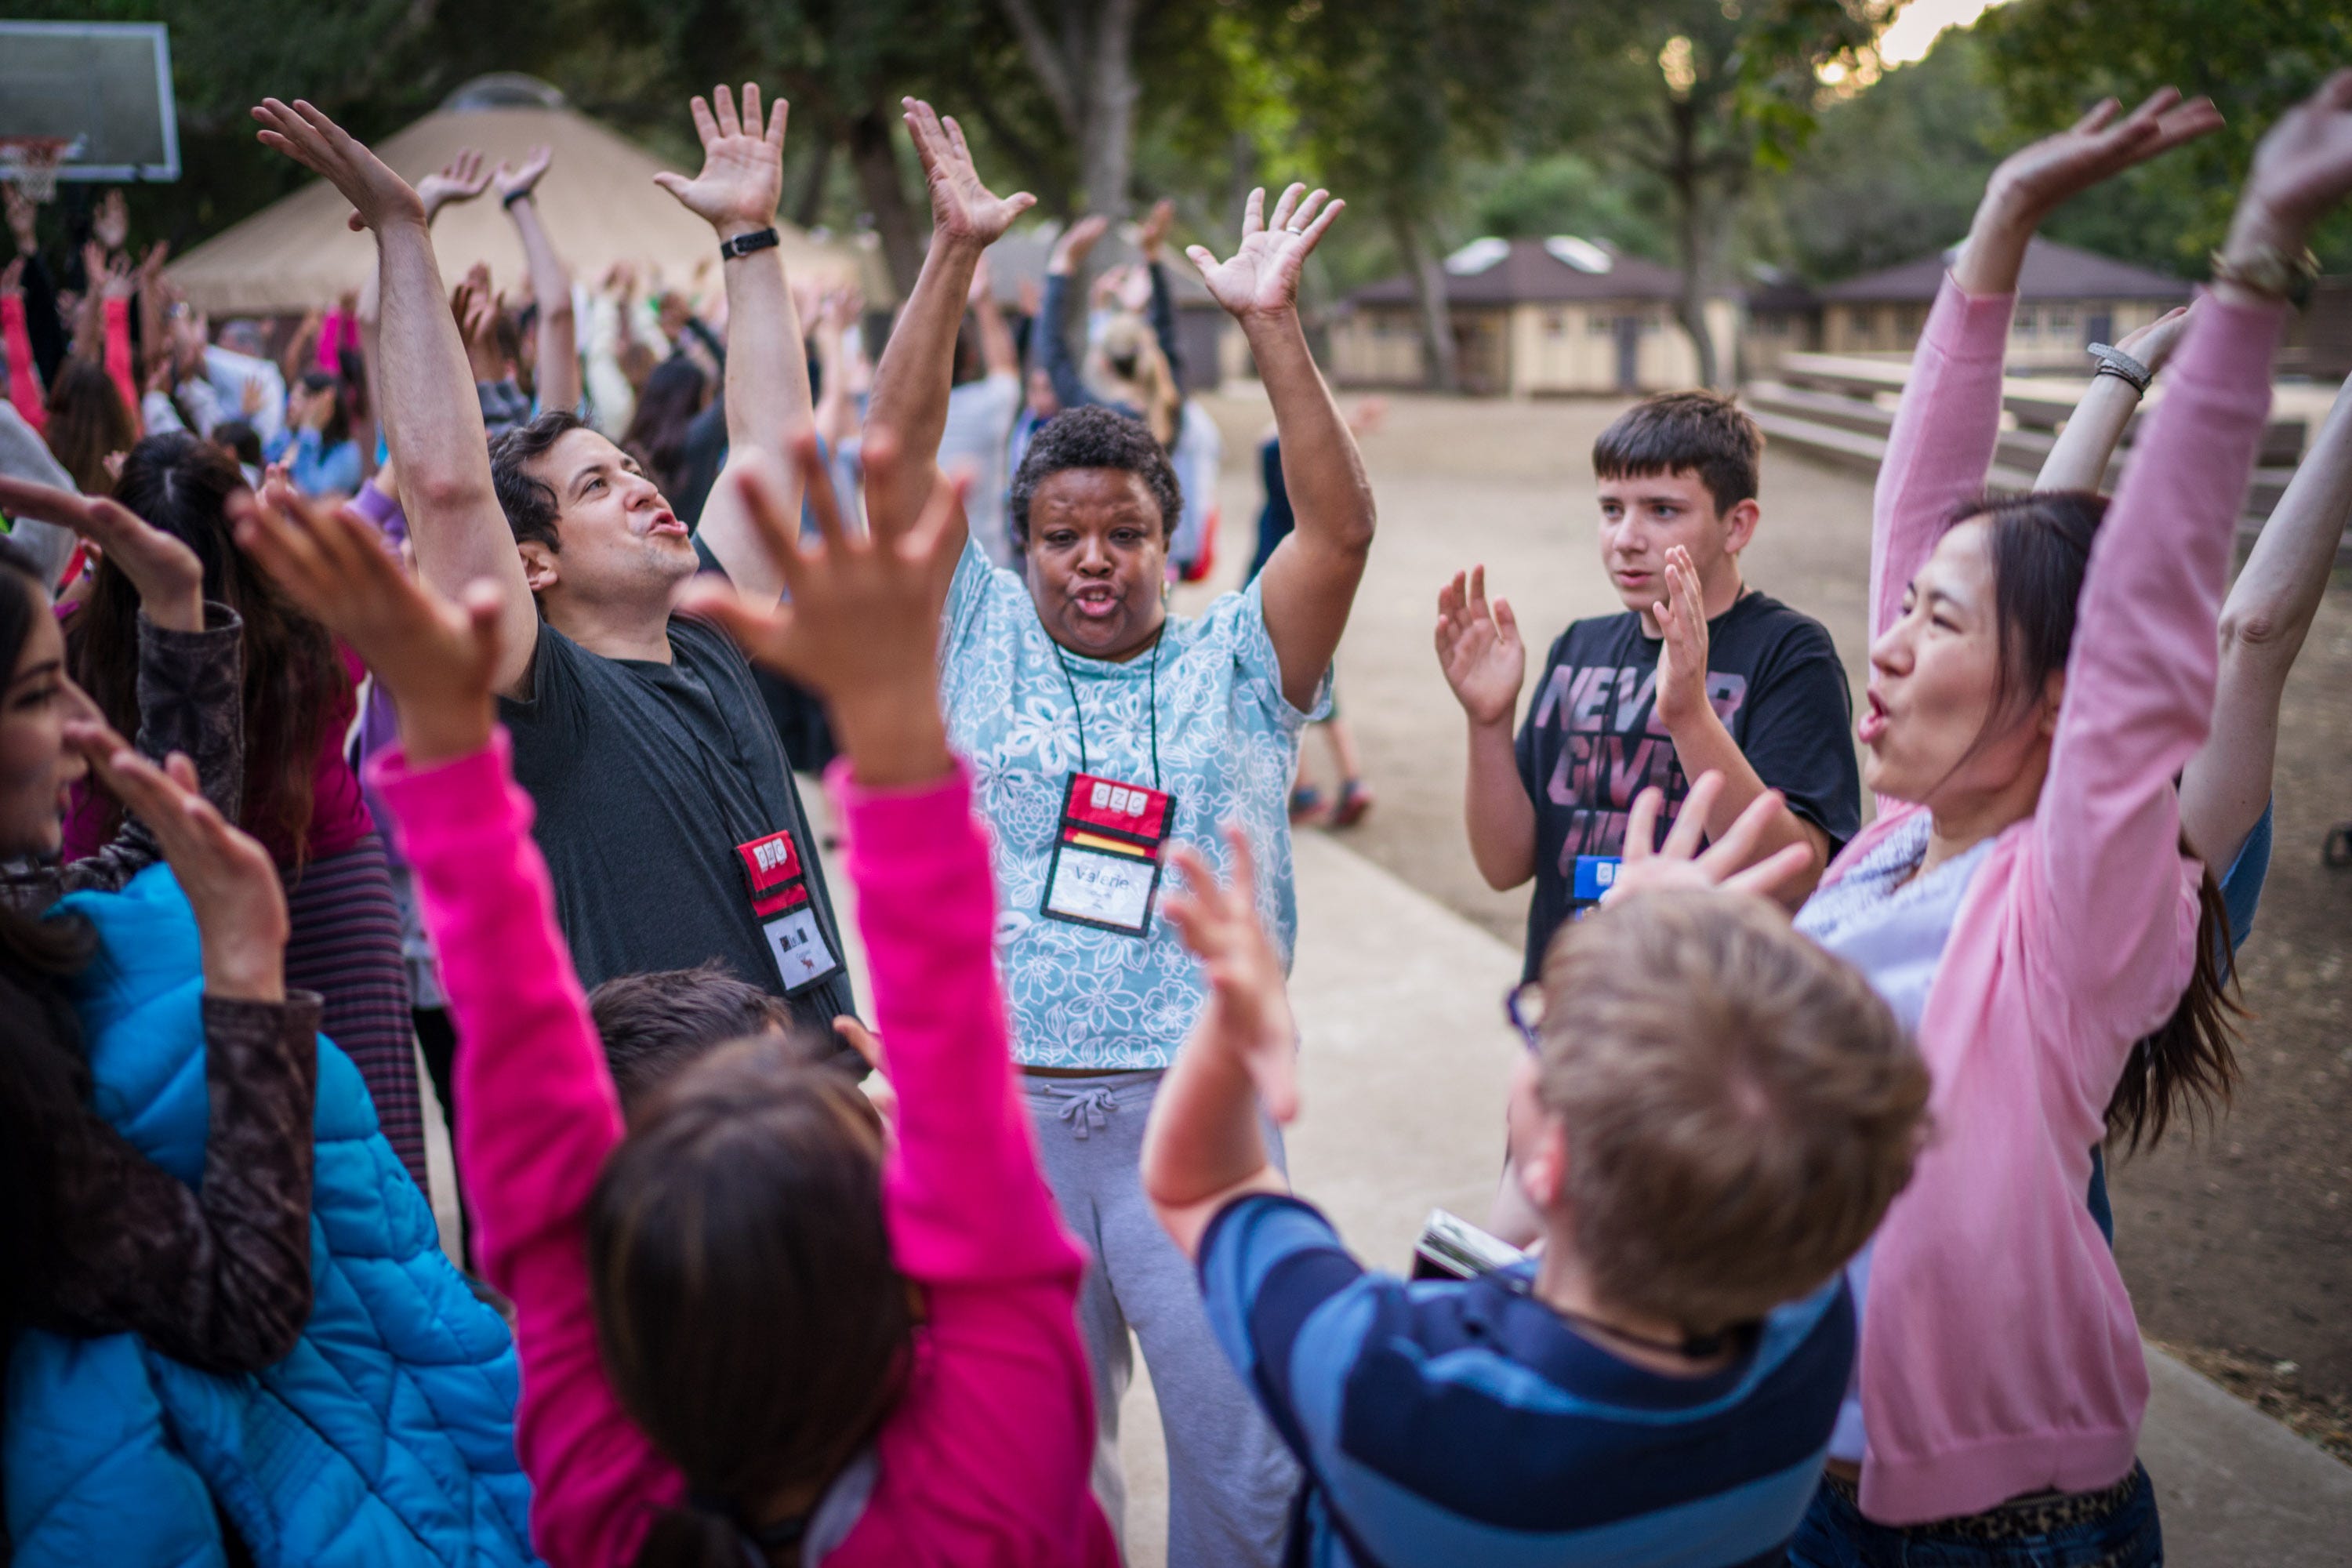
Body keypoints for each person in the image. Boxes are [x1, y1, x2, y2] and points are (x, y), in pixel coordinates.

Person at [239, 407, 1118, 1568]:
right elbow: (548, 1198)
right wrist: (900, 728)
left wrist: (441, 746)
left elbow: (536, 1154)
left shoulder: (601, 1511)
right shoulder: (1003, 1470)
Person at [1766, 81, 2352, 1565]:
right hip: (1796, 1490)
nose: (1882, 646)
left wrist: (2253, 261)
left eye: (1934, 626)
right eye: (1901, 617)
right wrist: (2003, 218)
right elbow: (1927, 518)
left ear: (2063, 706)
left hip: (2006, 1537)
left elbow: (2192, 608)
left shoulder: (2074, 905)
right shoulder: (1889, 855)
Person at [859, 98, 1374, 1568]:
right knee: (1032, 1471)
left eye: (1124, 533)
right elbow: (888, 467)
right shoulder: (975, 634)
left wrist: (1270, 327)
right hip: (1001, 1114)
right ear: (1021, 545)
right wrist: (956, 257)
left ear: (1171, 536)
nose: (1093, 560)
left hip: (1193, 1115)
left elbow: (1337, 532)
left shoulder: (1238, 661)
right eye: (1063, 534)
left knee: (1247, 1461)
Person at [1136, 780, 1928, 1567]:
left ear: (1549, 1165)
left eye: (1540, 1023)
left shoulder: (1392, 1382)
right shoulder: (1805, 1334)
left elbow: (1200, 1185)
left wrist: (1229, 1030)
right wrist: (1654, 953)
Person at [252, 89, 861, 1039]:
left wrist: (748, 235)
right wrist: (405, 235)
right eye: (593, 489)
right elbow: (447, 488)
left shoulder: (703, 630)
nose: (636, 486)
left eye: (628, 467)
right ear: (531, 564)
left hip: (829, 1094)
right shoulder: (542, 692)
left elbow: (773, 450)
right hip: (675, 1144)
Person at [64, 433, 430, 1188]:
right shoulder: (307, 626)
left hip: (158, 916)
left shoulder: (77, 644)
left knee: (221, 1169)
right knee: (376, 1177)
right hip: (327, 893)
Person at [1438, 390, 1862, 978]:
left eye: (1662, 510)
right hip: (1574, 1005)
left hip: (1710, 1022)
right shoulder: (1579, 646)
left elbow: (1794, 875)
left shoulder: (1790, 652)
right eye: (1612, 509)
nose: (1626, 538)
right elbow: (1505, 866)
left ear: (1737, 525)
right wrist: (1487, 721)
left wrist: (1688, 714)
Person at [938, 255, 1023, 564]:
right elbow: (1005, 369)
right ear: (972, 358)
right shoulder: (988, 407)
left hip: (922, 582)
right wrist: (983, 301)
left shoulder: (898, 421)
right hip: (988, 568)